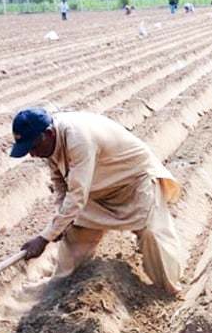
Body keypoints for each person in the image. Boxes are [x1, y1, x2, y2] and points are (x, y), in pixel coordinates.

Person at [10, 108, 186, 295]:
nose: (33, 154)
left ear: (48, 134)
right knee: (75, 231)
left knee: (151, 232)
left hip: (134, 181)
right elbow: (61, 185)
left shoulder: (78, 139)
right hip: (98, 186)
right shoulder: (49, 143)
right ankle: (58, 288)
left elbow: (77, 196)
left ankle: (169, 289)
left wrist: (44, 238)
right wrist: (59, 224)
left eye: (34, 147)